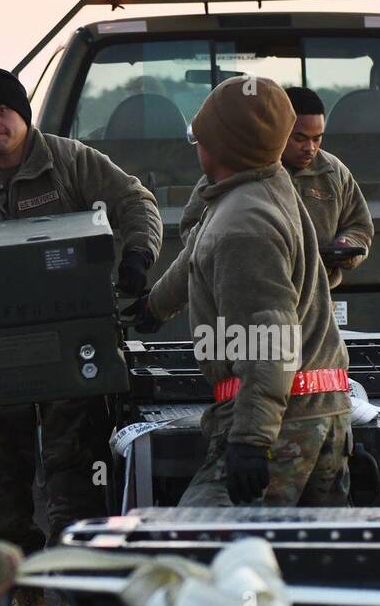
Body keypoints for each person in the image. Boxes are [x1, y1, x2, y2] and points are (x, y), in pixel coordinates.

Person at [0, 68, 162, 551]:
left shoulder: (70, 161)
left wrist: (138, 255)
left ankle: (76, 584)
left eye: (1, 111)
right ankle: (13, 587)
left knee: (76, 474)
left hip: (74, 346)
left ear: (23, 114)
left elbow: (136, 201)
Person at [131, 77, 351, 507]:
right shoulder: (260, 188)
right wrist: (153, 307)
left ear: (223, 146)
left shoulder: (244, 225)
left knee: (204, 546)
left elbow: (269, 336)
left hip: (280, 421)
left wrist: (251, 440)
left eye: (204, 136)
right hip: (312, 409)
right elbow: (196, 252)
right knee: (300, 561)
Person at [179, 85, 373, 290]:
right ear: (279, 130)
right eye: (299, 138)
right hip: (250, 291)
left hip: (319, 295)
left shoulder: (334, 172)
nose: (310, 148)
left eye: (317, 138)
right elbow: (192, 227)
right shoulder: (237, 167)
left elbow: (360, 225)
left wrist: (346, 244)